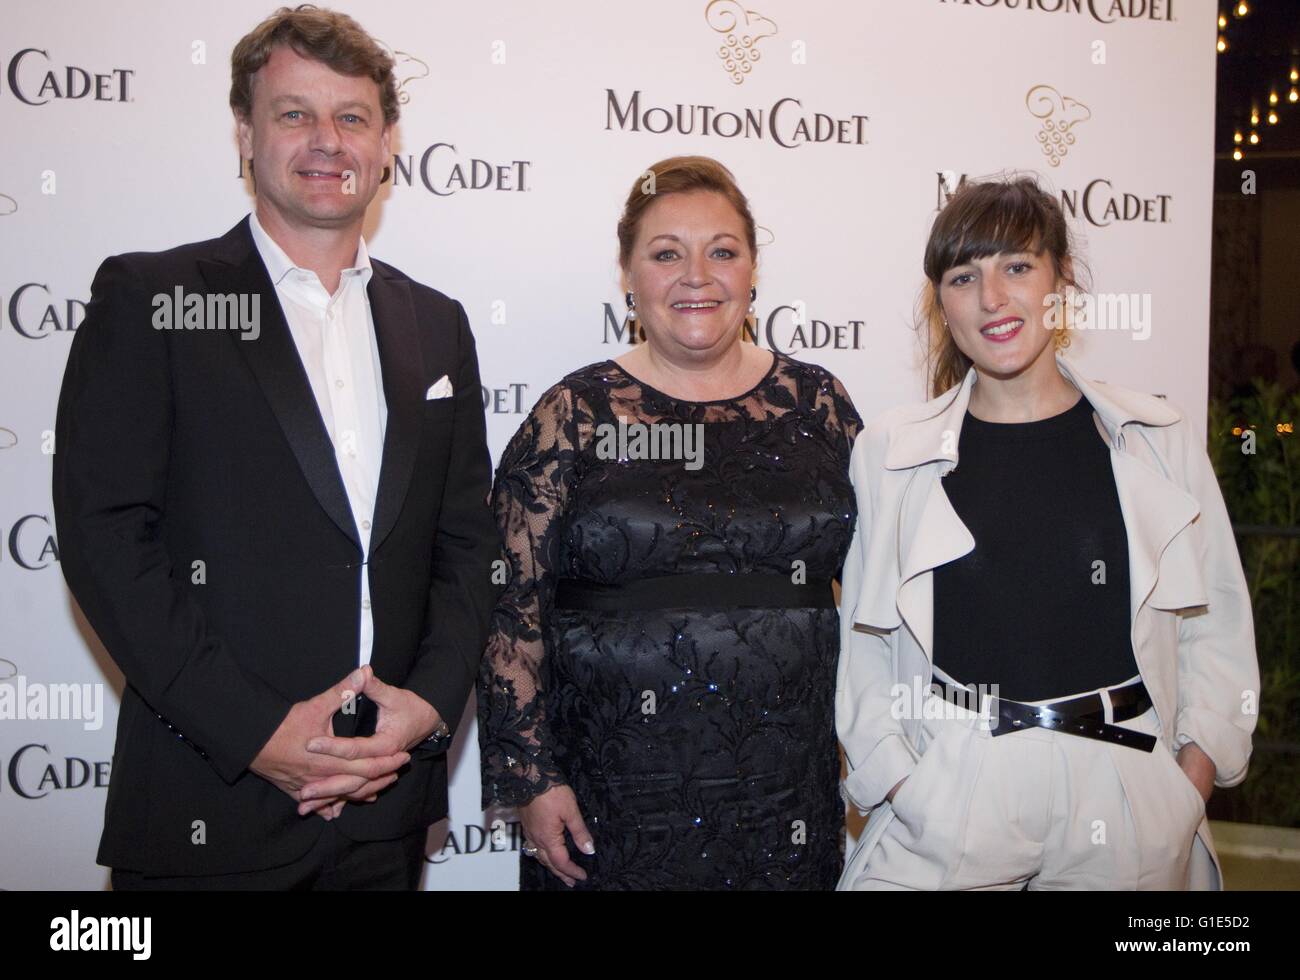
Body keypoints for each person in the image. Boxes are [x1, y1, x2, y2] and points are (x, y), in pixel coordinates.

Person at [52, 5, 500, 890]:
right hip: (207, 810)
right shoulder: (156, 296)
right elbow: (106, 542)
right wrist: (260, 735)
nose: (326, 140)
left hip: (386, 813)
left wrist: (426, 712)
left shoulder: (437, 326)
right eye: (294, 114)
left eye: (352, 117)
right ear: (246, 137)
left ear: (386, 144)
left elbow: (467, 547)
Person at [836, 176, 1259, 890]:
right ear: (942, 300)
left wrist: (1189, 781)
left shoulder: (1157, 439)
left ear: (1062, 279)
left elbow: (1214, 624)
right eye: (965, 276)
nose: (992, 299)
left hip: (1128, 795)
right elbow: (865, 643)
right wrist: (904, 786)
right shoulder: (892, 452)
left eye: (1018, 267)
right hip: (954, 790)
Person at [476, 156, 861, 889]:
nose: (697, 275)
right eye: (665, 254)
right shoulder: (574, 415)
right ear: (626, 275)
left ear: (753, 271)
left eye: (722, 250)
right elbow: (507, 607)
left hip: (787, 797)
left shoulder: (820, 405)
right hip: (610, 800)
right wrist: (530, 776)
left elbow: (882, 592)